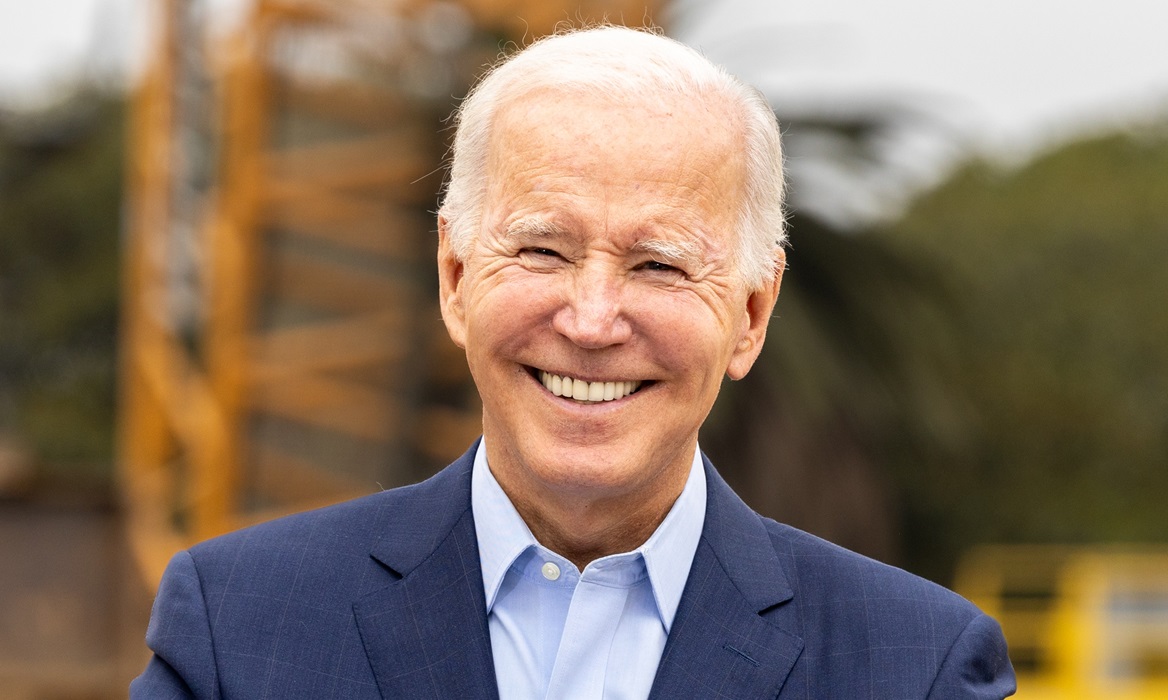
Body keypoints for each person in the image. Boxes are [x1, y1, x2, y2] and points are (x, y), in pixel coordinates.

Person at [132, 26, 1016, 699]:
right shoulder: (235, 630)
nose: (592, 321)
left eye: (659, 265)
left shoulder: (914, 668)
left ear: (751, 315)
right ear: (453, 277)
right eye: (544, 252)